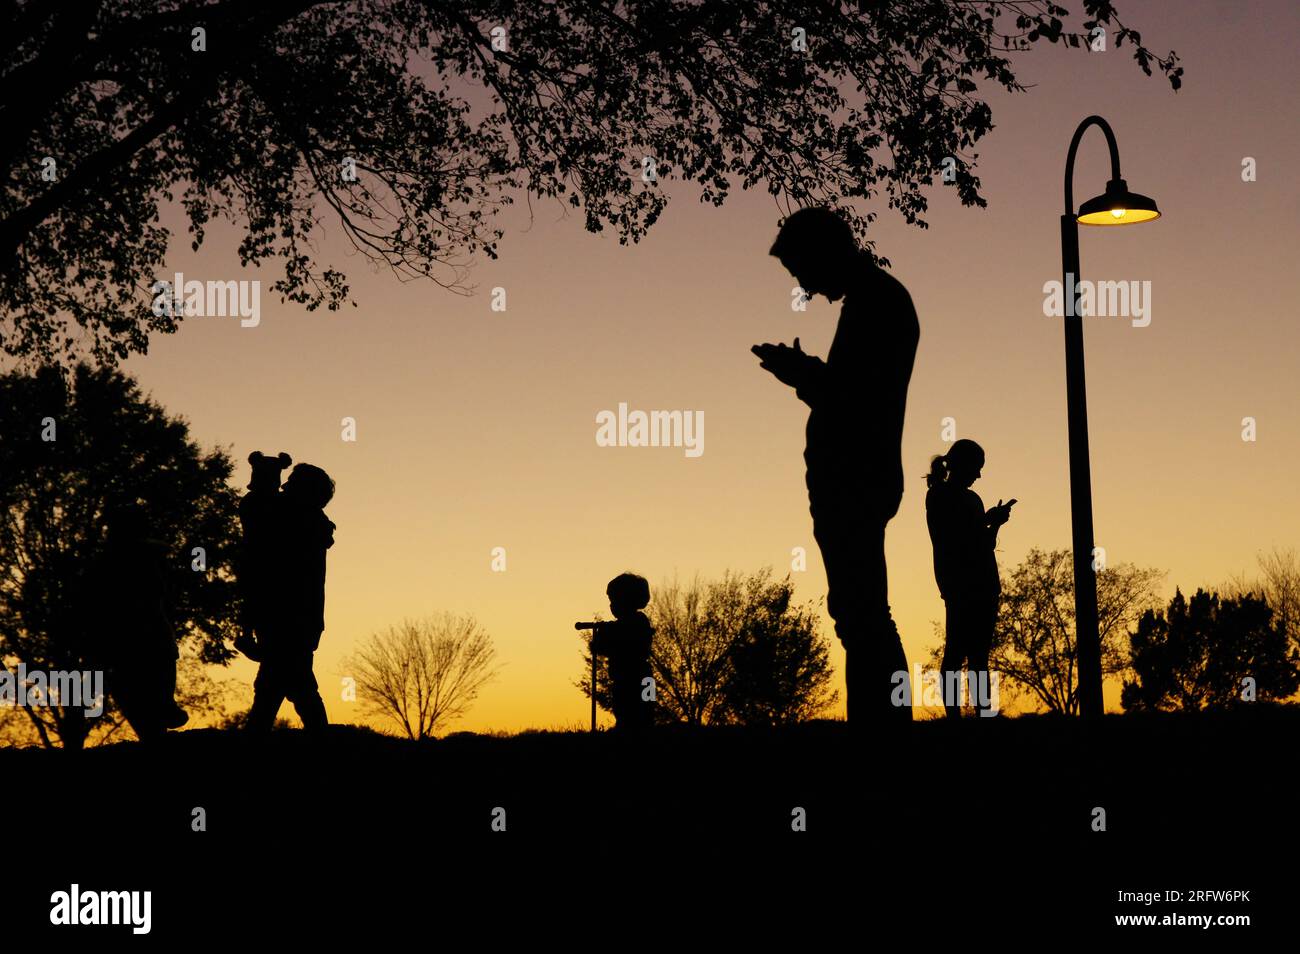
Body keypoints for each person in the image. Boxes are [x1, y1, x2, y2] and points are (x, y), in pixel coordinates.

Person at [755, 206, 919, 724]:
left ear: (824, 253)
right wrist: (810, 375)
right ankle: (876, 725)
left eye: (801, 270)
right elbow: (854, 392)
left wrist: (801, 373)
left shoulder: (876, 303)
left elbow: (855, 400)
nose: (802, 284)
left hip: (856, 482)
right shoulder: (874, 301)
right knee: (858, 613)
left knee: (864, 615)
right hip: (855, 480)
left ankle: (881, 728)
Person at [924, 439, 1015, 718]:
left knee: (976, 655)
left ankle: (982, 713)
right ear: (963, 465)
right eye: (977, 468)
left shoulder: (966, 498)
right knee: (957, 653)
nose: (979, 475)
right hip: (963, 585)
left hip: (982, 584)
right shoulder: (941, 495)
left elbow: (980, 542)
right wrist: (989, 523)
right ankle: (959, 716)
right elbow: (961, 540)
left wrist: (993, 522)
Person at [244, 462, 335, 733]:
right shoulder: (307, 521)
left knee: (283, 684)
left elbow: (255, 518)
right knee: (292, 683)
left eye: (291, 483)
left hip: (289, 618)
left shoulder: (300, 521)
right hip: (293, 619)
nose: (284, 487)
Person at [590, 573, 654, 733]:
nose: (611, 605)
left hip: (634, 678)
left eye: (614, 600)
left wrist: (607, 635)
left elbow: (620, 644)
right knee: (629, 713)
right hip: (640, 678)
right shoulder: (627, 624)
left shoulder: (636, 622)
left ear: (627, 600)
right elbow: (601, 647)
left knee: (639, 714)